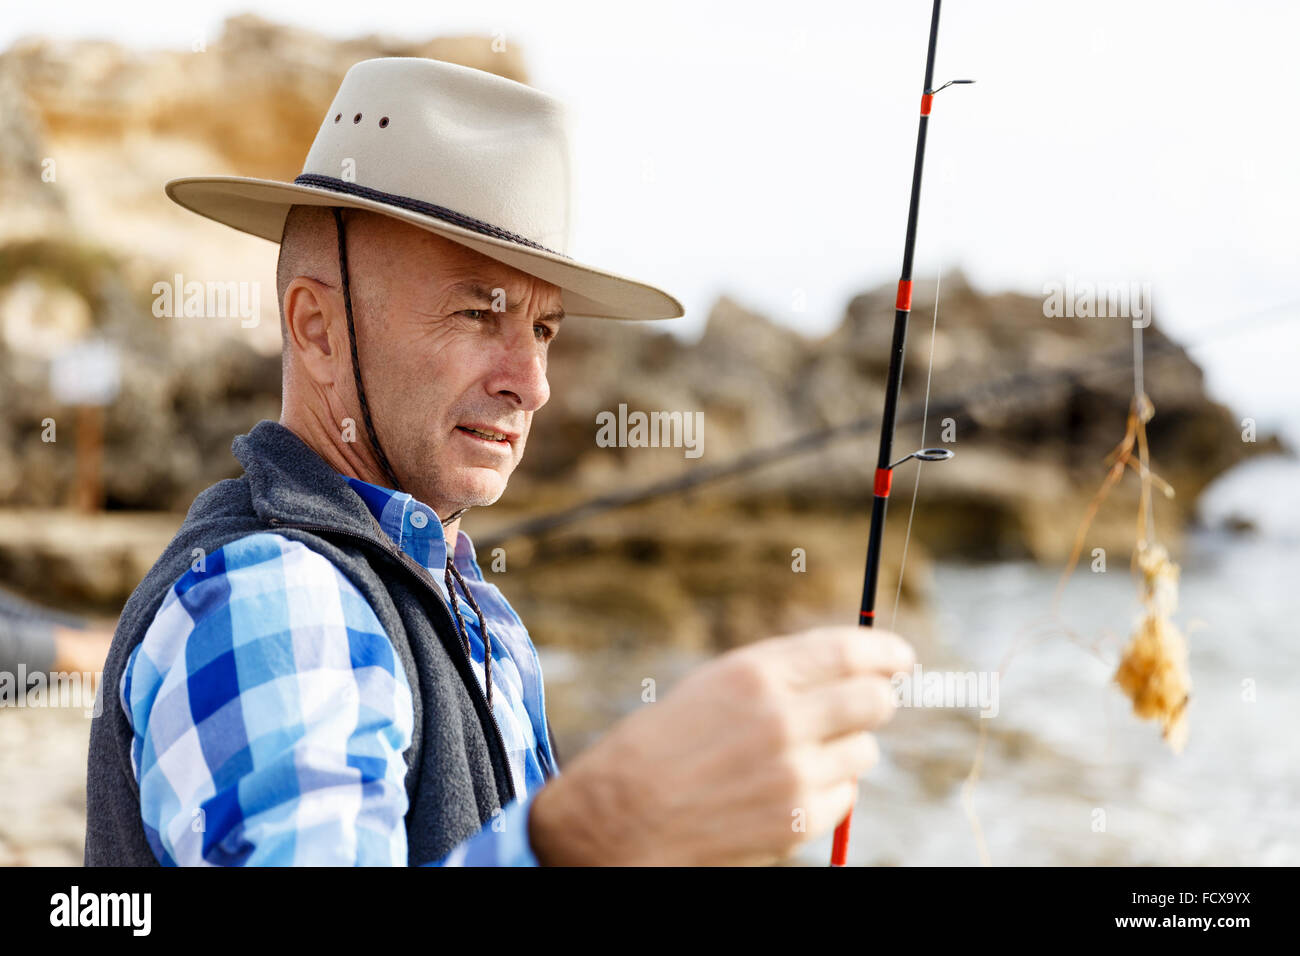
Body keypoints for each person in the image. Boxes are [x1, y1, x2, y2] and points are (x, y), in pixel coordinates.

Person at [84, 56, 913, 866]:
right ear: (316, 328)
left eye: (544, 329)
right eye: (481, 313)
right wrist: (600, 826)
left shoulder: (471, 605)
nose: (533, 384)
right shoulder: (274, 597)